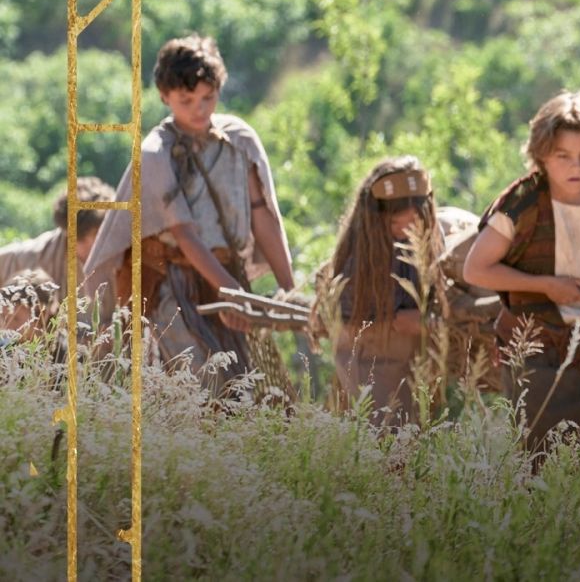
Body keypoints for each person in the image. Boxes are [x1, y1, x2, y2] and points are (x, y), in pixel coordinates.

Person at [83, 35, 296, 395]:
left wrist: (290, 291)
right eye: (186, 100)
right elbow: (186, 235)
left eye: (208, 97)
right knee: (204, 386)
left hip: (227, 276)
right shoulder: (156, 154)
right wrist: (232, 294)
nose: (200, 108)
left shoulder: (240, 139)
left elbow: (264, 217)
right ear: (165, 97)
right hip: (173, 286)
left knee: (252, 391)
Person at [464, 91, 580, 449]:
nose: (576, 167)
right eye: (563, 156)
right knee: (541, 459)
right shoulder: (520, 205)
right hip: (534, 346)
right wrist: (544, 286)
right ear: (542, 156)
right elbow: (477, 269)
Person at [327, 156, 442, 427]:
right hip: (371, 363)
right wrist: (408, 321)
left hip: (412, 366)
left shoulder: (428, 244)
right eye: (395, 225)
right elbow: (359, 318)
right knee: (380, 437)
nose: (405, 232)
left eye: (413, 223)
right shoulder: (359, 257)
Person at [1, 176, 116, 293]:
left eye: (98, 235)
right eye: (80, 238)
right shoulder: (24, 260)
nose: (91, 245)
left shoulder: (124, 259)